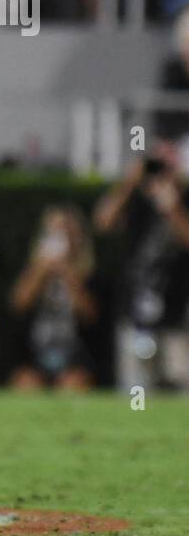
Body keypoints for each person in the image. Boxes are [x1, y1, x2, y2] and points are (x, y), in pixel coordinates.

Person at [94, 143, 189, 391]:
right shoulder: (136, 202)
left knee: (178, 385)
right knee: (136, 387)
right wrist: (129, 182)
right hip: (134, 309)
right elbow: (103, 222)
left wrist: (172, 207)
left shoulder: (183, 201)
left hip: (177, 312)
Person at [9, 205, 99, 391]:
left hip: (75, 358)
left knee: (72, 388)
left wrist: (67, 272)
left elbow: (90, 315)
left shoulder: (89, 275)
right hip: (35, 357)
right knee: (26, 388)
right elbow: (18, 305)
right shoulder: (33, 272)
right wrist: (41, 270)